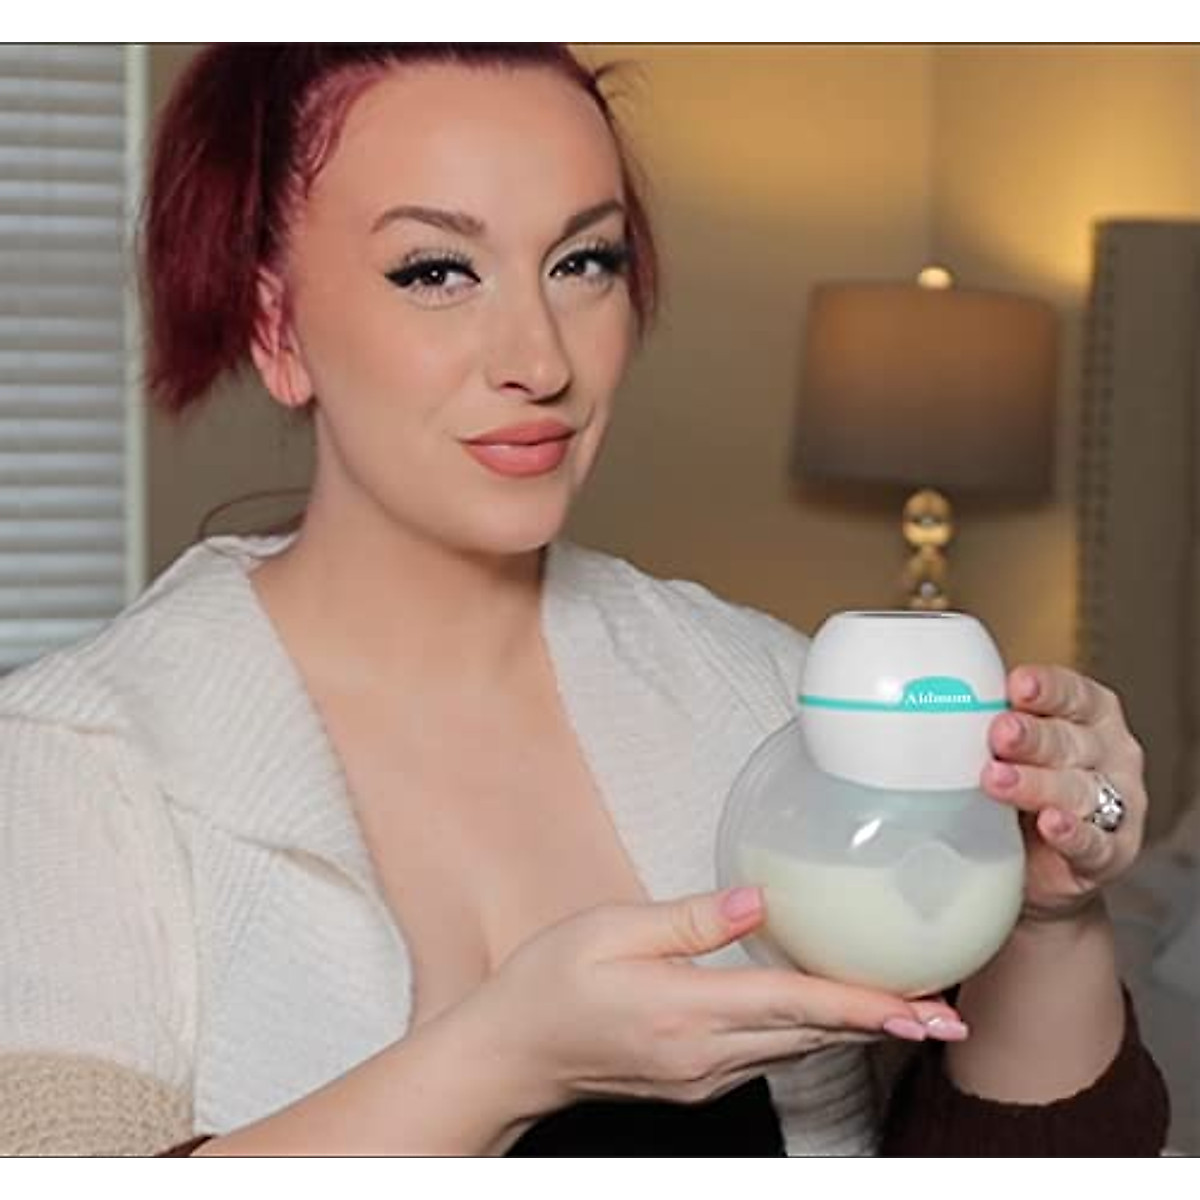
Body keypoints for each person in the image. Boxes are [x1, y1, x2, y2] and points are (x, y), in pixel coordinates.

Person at [0, 43, 1169, 1157]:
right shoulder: (81, 759)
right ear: (275, 328)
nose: (541, 360)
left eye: (583, 263)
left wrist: (1045, 916)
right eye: (436, 271)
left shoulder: (766, 699)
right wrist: (507, 1061)